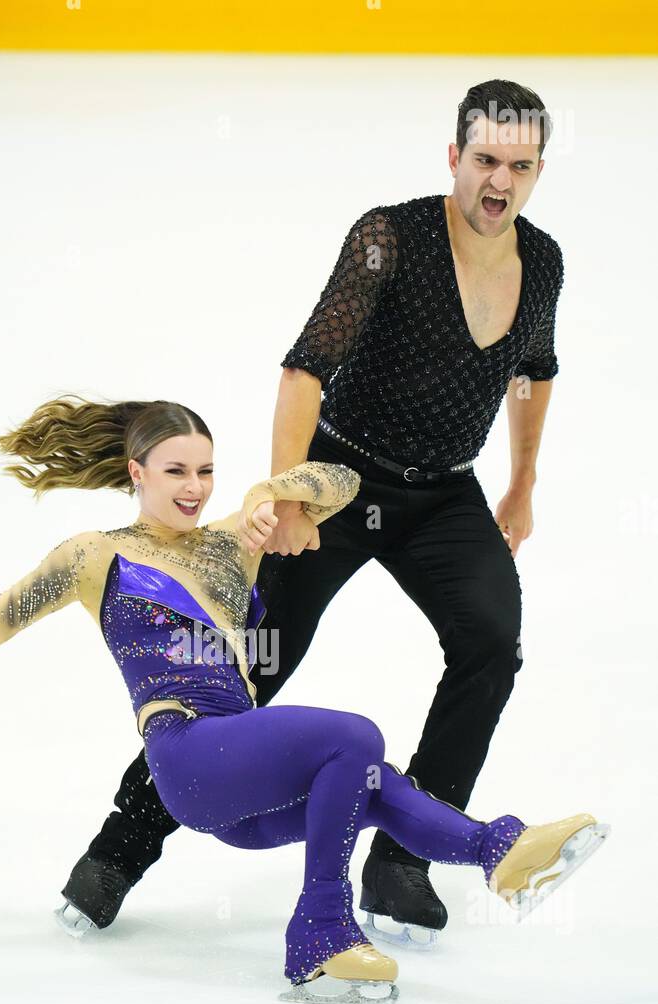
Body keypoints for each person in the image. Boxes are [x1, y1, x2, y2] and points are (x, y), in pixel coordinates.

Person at [0, 397, 608, 1004]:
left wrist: (276, 489)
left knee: (371, 781)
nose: (194, 488)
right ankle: (321, 930)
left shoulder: (232, 541)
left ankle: (499, 856)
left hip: (239, 784)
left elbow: (344, 482)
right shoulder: (97, 555)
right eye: (176, 472)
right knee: (353, 737)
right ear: (137, 473)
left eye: (205, 472)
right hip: (186, 757)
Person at [67, 78, 568, 950]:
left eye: (520, 167)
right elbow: (304, 370)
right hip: (338, 480)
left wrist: (520, 483)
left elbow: (536, 371)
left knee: (492, 641)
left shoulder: (546, 260)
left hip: (446, 492)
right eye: (485, 160)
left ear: (537, 172)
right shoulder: (390, 239)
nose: (500, 182)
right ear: (454, 157)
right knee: (251, 661)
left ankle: (401, 864)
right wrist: (287, 495)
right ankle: (119, 849)